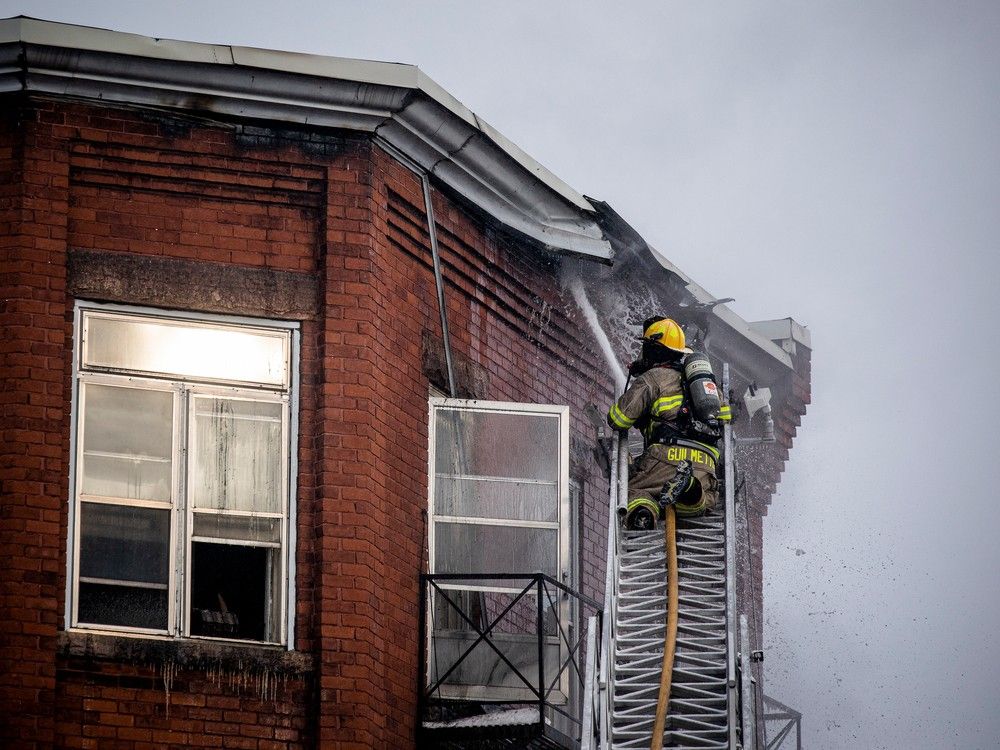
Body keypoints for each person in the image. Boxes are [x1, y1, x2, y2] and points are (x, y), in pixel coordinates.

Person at [607, 317, 731, 527]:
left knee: (633, 489)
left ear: (654, 349)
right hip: (706, 464)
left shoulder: (653, 378)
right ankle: (689, 488)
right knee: (704, 501)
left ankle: (642, 514)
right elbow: (726, 420)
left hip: (665, 458)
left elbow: (618, 419)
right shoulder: (706, 386)